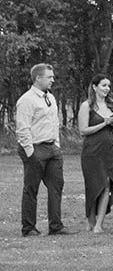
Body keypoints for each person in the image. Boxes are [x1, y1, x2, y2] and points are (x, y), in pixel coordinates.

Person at [16, 62, 67, 237]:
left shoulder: (50, 98)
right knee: (31, 189)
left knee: (56, 187)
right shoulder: (27, 100)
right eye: (49, 77)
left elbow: (54, 123)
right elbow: (23, 128)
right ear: (38, 78)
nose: (53, 80)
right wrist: (30, 152)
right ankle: (29, 228)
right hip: (35, 148)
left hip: (52, 148)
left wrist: (57, 145)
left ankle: (56, 226)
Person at [77, 74, 113, 234]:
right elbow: (83, 130)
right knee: (93, 185)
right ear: (94, 87)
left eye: (109, 86)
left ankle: (99, 224)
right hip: (92, 151)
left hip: (109, 150)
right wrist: (103, 123)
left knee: (106, 184)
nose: (107, 89)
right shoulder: (87, 106)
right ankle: (90, 221)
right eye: (104, 85)